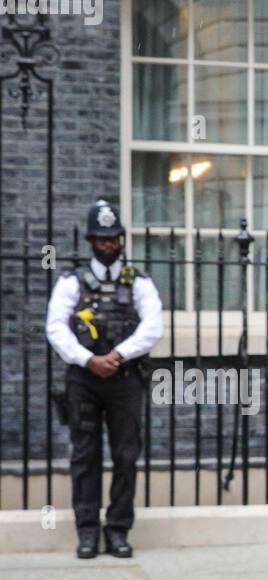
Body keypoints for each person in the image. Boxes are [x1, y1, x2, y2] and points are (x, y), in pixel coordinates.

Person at [45, 199, 163, 559]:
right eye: (101, 238)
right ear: (91, 240)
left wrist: (117, 356)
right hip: (84, 379)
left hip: (124, 378)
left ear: (122, 239)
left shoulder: (139, 282)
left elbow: (153, 326)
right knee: (85, 455)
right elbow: (55, 327)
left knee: (126, 455)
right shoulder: (71, 282)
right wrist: (88, 359)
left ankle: (118, 530)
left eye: (113, 238)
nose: (108, 245)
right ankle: (87, 531)